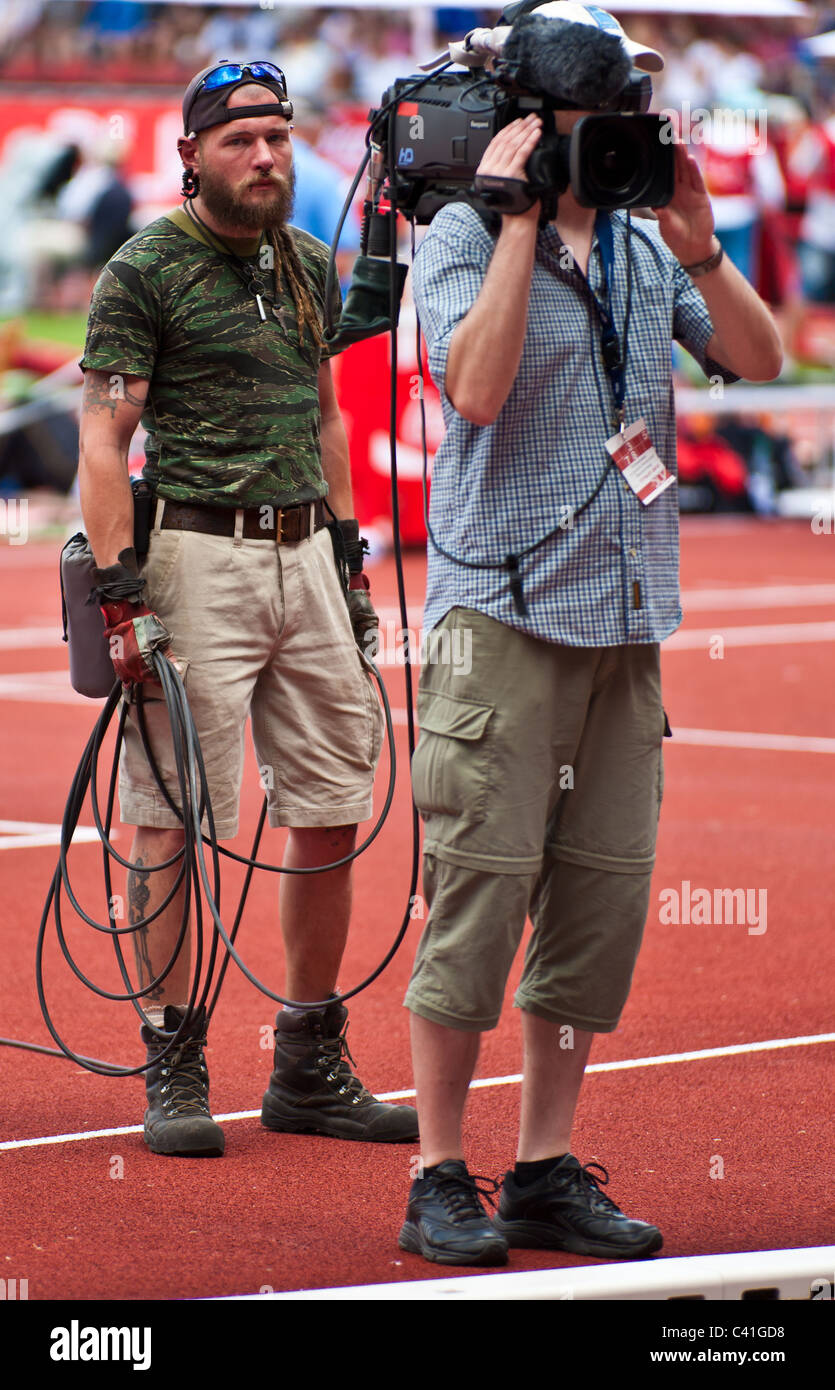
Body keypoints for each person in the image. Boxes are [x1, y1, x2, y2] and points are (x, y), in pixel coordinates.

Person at [400, 10, 783, 1266]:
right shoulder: (457, 235)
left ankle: (545, 1166)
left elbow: (755, 354)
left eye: (625, 117)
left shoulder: (635, 239)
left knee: (595, 908)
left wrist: (705, 250)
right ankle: (438, 1175)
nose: (612, 141)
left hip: (623, 620)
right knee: (479, 896)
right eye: (590, 124)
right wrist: (515, 222)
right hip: (498, 615)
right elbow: (474, 388)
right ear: (528, 126)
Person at [77, 61, 419, 1156]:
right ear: (190, 155)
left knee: (329, 801)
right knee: (172, 816)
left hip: (305, 558)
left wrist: (351, 564)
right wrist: (122, 596)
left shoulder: (303, 261)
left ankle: (308, 1063)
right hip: (194, 558)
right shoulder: (145, 267)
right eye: (240, 141)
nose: (265, 157)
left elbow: (326, 415)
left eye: (277, 137)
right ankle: (173, 1051)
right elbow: (101, 435)